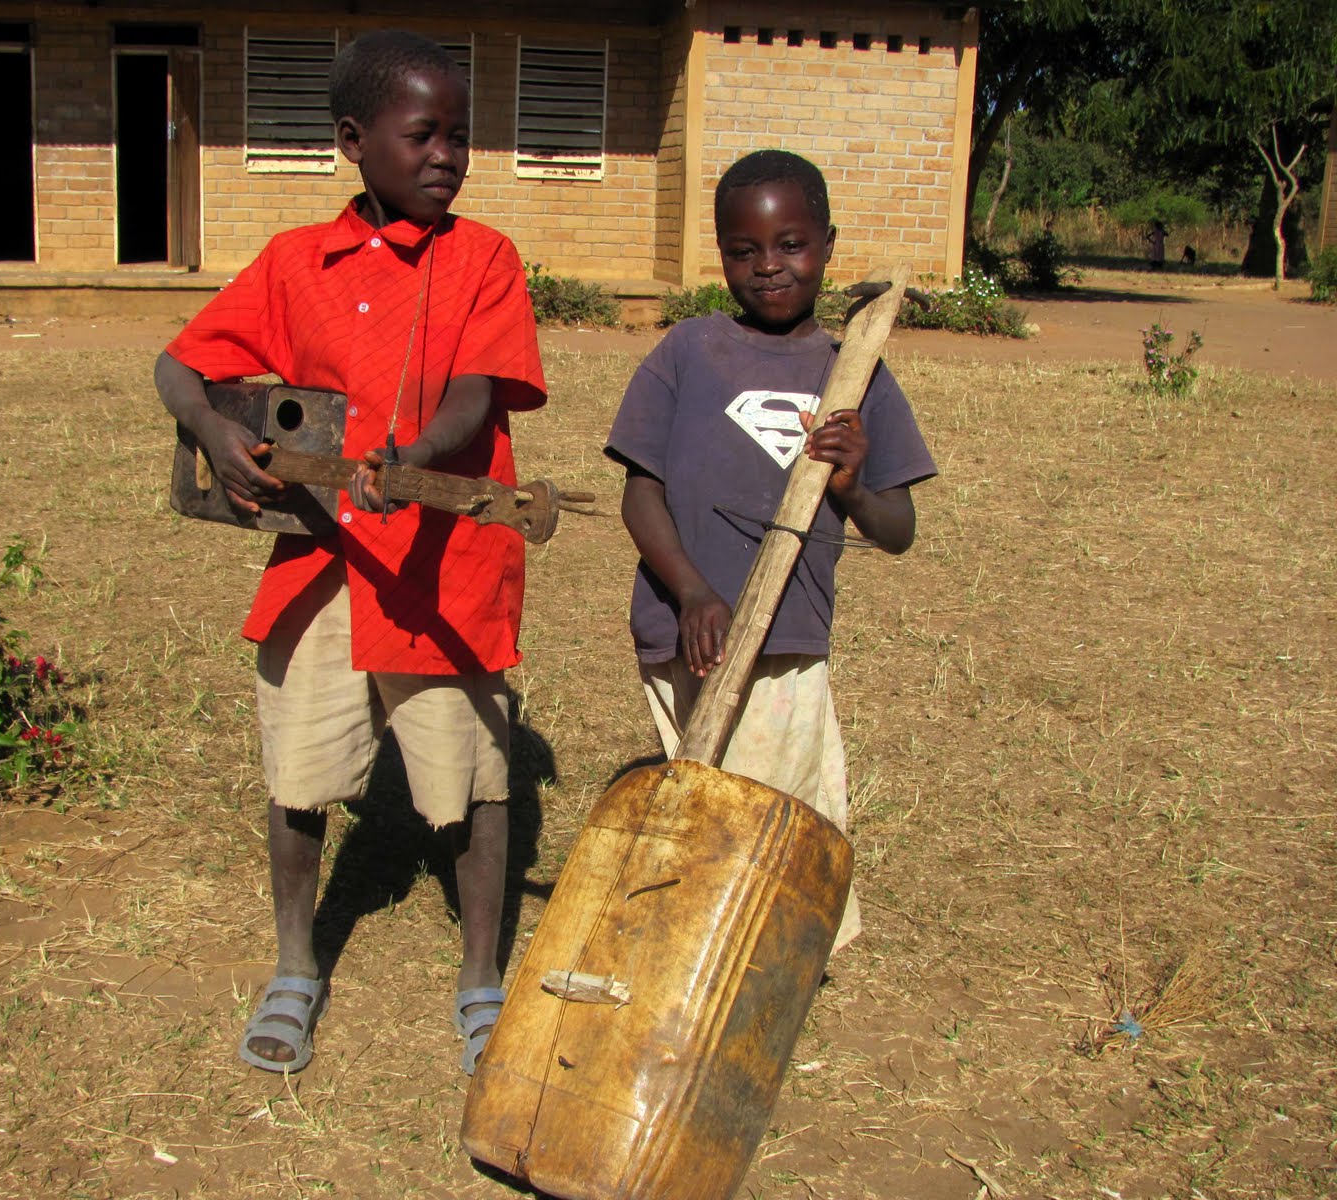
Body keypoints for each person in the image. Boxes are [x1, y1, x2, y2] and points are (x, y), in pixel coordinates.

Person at [154, 30, 545, 1076]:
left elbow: (476, 394)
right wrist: (209, 430)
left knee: (473, 778)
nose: (447, 155)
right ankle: (294, 967)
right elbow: (182, 364)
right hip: (319, 569)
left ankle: (478, 984)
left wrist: (410, 453)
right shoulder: (293, 263)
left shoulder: (485, 261)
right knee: (300, 772)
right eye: (422, 134)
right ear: (351, 140)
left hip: (440, 566)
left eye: (459, 137)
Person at [604, 149, 936, 953]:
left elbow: (899, 529)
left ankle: (763, 950)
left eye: (790, 244)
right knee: (704, 796)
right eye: (744, 250)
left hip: (788, 637)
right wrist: (689, 592)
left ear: (826, 242)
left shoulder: (852, 376)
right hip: (683, 632)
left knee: (769, 799)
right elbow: (638, 493)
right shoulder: (686, 352)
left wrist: (852, 485)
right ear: (720, 253)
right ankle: (709, 945)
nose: (768, 267)